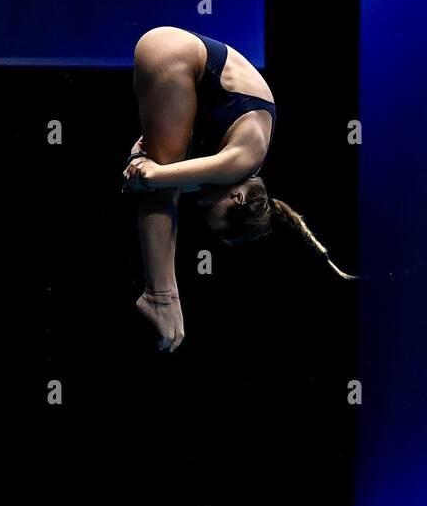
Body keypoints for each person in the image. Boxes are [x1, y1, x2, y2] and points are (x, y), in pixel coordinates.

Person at [123, 26, 353, 352]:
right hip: (171, 54)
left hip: (170, 54)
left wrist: (141, 163)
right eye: (209, 211)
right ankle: (161, 295)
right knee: (163, 193)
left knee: (166, 187)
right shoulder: (243, 160)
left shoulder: (236, 170)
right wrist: (145, 170)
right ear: (239, 197)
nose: (201, 204)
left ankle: (162, 295)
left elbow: (147, 164)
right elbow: (154, 178)